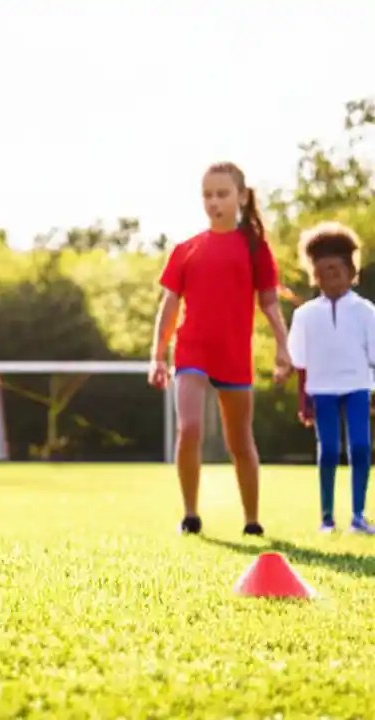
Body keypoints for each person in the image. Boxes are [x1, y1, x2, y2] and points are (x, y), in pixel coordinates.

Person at [148, 161, 291, 537]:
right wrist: (157, 356)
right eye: (208, 195)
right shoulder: (185, 250)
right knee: (190, 428)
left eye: (222, 194)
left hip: (233, 356)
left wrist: (283, 347)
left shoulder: (255, 249)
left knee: (240, 441)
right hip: (192, 351)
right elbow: (168, 306)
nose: (214, 202)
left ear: (241, 197)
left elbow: (270, 304)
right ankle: (191, 515)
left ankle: (252, 521)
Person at [287, 221, 375, 534]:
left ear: (351, 272)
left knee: (362, 447)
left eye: (336, 271)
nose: (329, 278)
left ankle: (359, 515)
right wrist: (303, 399)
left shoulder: (366, 311)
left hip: (357, 388)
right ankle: (327, 517)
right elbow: (300, 360)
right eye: (322, 273)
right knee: (328, 450)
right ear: (315, 275)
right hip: (321, 390)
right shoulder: (305, 315)